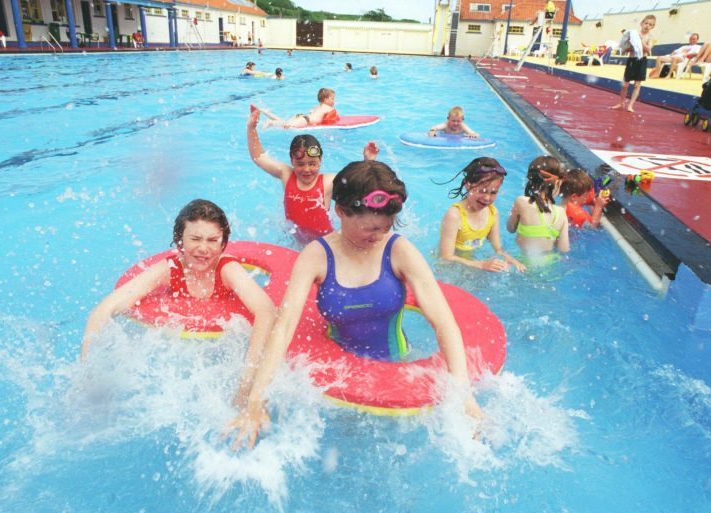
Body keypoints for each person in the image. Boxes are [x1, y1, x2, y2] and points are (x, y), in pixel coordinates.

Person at [223, 160, 484, 449]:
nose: (379, 236)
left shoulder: (399, 250)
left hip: (397, 367)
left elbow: (443, 321)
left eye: (386, 227)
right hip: (336, 375)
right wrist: (256, 399)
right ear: (341, 211)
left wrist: (464, 395)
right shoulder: (316, 256)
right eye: (371, 228)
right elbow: (283, 328)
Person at [80, 199, 276, 407]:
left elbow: (266, 311)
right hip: (183, 347)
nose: (203, 248)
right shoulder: (170, 269)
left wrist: (245, 386)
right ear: (179, 240)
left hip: (226, 344)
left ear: (223, 243)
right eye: (195, 239)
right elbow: (105, 309)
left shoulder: (227, 269)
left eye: (212, 240)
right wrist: (87, 374)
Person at [245, 105, 379, 241]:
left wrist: (368, 161)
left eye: (312, 164)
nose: (306, 169)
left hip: (324, 244)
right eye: (300, 164)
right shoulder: (286, 174)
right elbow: (259, 157)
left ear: (320, 160)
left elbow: (358, 183)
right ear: (292, 160)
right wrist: (251, 128)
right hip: (296, 240)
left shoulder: (327, 182)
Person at [438, 157, 526, 272]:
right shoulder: (455, 215)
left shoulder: (492, 213)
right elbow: (446, 257)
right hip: (450, 269)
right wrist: (481, 265)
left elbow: (498, 248)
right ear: (467, 185)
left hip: (474, 263)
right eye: (482, 191)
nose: (487, 198)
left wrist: (510, 259)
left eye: (493, 192)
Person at [506, 156, 569, 256]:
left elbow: (510, 228)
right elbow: (564, 249)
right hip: (549, 264)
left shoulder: (521, 202)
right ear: (557, 182)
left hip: (522, 263)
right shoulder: (561, 213)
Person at [611, 15, 656, 112]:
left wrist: (640, 42)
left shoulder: (650, 37)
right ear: (641, 23)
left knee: (637, 85)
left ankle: (630, 105)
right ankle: (621, 102)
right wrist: (631, 44)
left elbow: (648, 50)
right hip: (632, 60)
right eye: (646, 23)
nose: (647, 26)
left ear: (653, 27)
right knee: (625, 85)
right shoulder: (634, 34)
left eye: (650, 24)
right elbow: (626, 49)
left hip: (642, 61)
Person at [259, 88, 340, 129]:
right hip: (305, 120)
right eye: (332, 99)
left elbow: (311, 112)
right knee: (287, 126)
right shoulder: (327, 107)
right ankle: (270, 122)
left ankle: (268, 113)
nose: (334, 101)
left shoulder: (318, 106)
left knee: (285, 122)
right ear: (325, 100)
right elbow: (336, 116)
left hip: (302, 117)